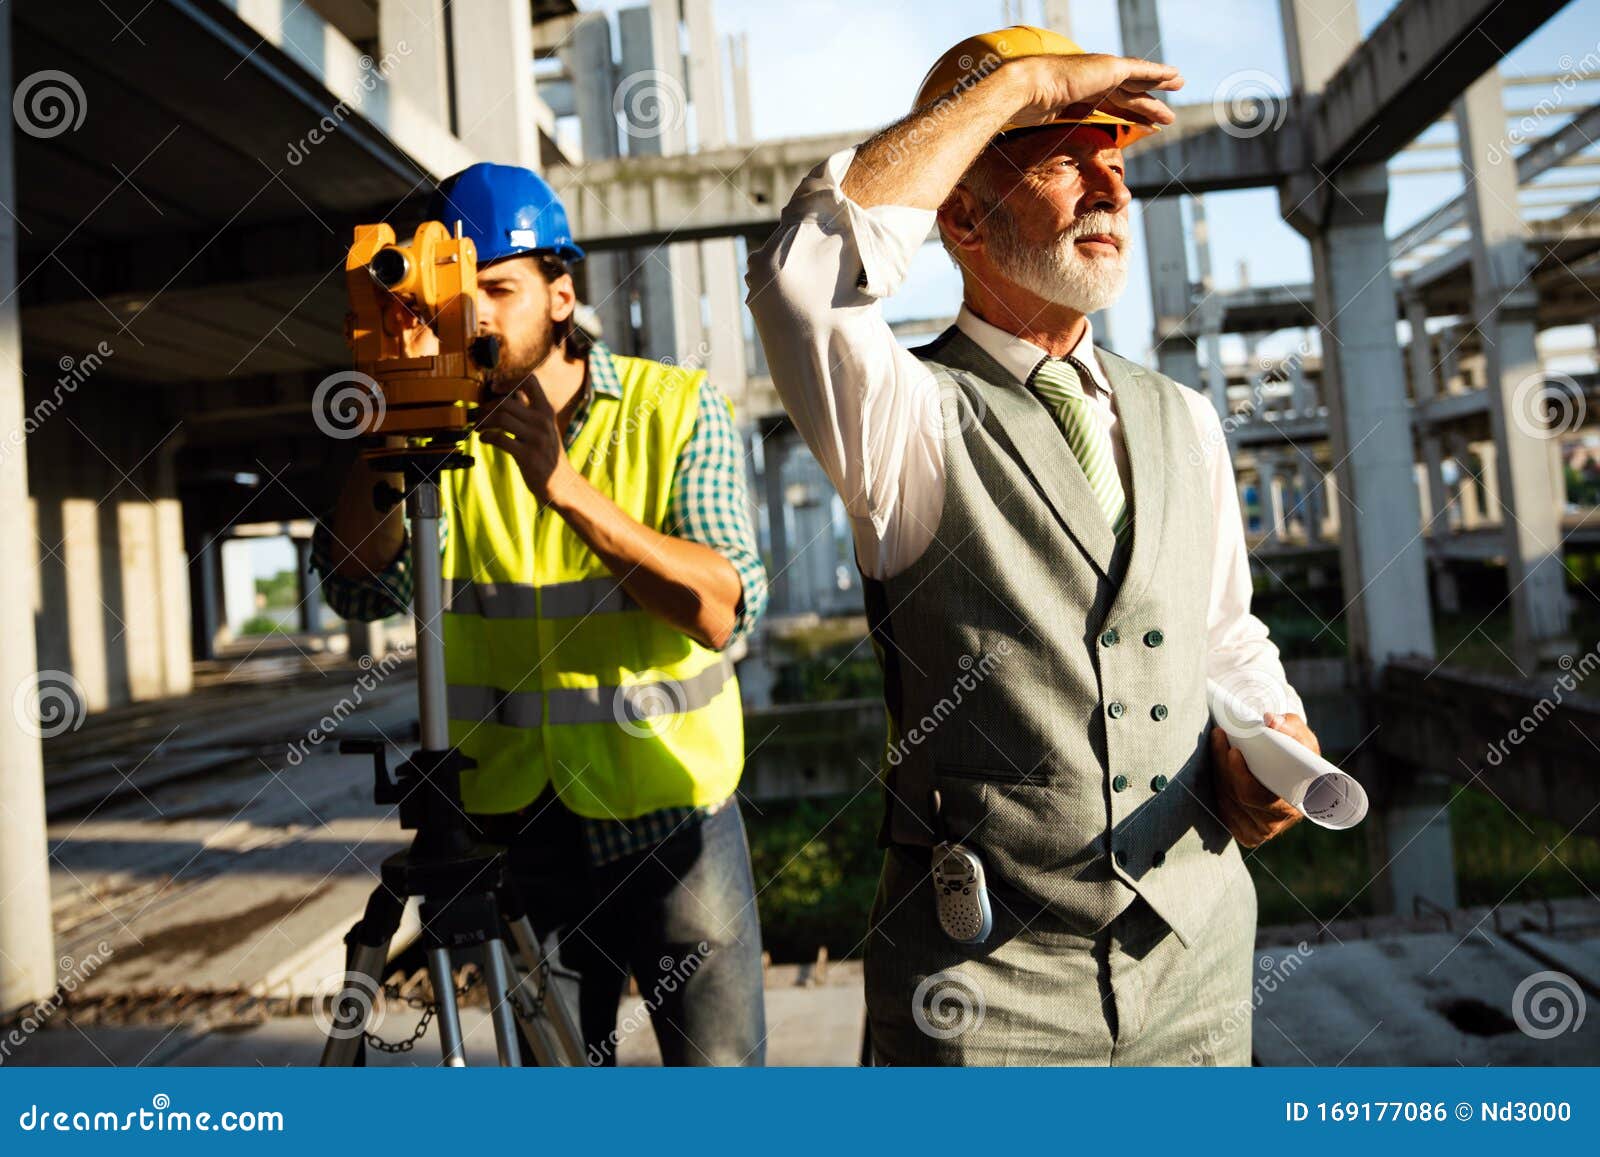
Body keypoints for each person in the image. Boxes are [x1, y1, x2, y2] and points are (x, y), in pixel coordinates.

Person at [746, 26, 1322, 1065]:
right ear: (959, 212)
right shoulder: (905, 415)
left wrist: (1269, 734)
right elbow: (802, 280)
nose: (1110, 188)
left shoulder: (1183, 415)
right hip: (985, 986)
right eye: (1062, 157)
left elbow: (1220, 633)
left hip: (1198, 957)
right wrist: (1022, 86)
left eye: (1114, 161)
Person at [315, 163, 768, 1066]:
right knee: (555, 1089)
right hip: (516, 835)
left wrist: (562, 486)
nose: (474, 314)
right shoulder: (435, 437)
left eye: (499, 287)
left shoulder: (673, 408)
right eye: (458, 291)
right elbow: (356, 587)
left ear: (562, 295)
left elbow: (723, 610)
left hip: (672, 818)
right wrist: (387, 437)